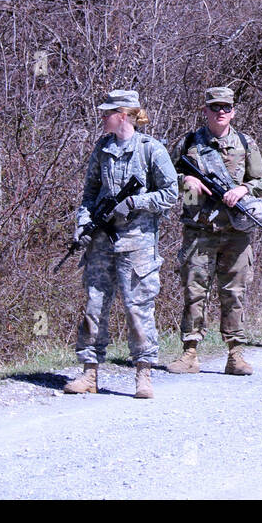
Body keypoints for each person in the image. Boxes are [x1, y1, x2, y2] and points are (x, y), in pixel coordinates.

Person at [64, 90, 178, 398]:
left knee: (137, 308)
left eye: (108, 113)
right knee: (94, 305)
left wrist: (134, 203)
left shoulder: (151, 150)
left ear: (123, 115)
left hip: (137, 243)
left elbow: (170, 193)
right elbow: (89, 194)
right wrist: (82, 224)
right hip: (101, 241)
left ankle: (143, 373)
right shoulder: (102, 149)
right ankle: (90, 372)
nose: (102, 118)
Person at [167, 87, 262, 376]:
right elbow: (163, 177)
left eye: (226, 107)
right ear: (205, 111)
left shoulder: (246, 144)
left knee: (234, 292)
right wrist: (184, 179)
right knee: (194, 290)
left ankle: (235, 354)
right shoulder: (189, 142)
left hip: (236, 232)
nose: (220, 112)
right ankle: (190, 353)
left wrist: (243, 189)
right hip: (199, 229)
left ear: (233, 111)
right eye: (214, 107)